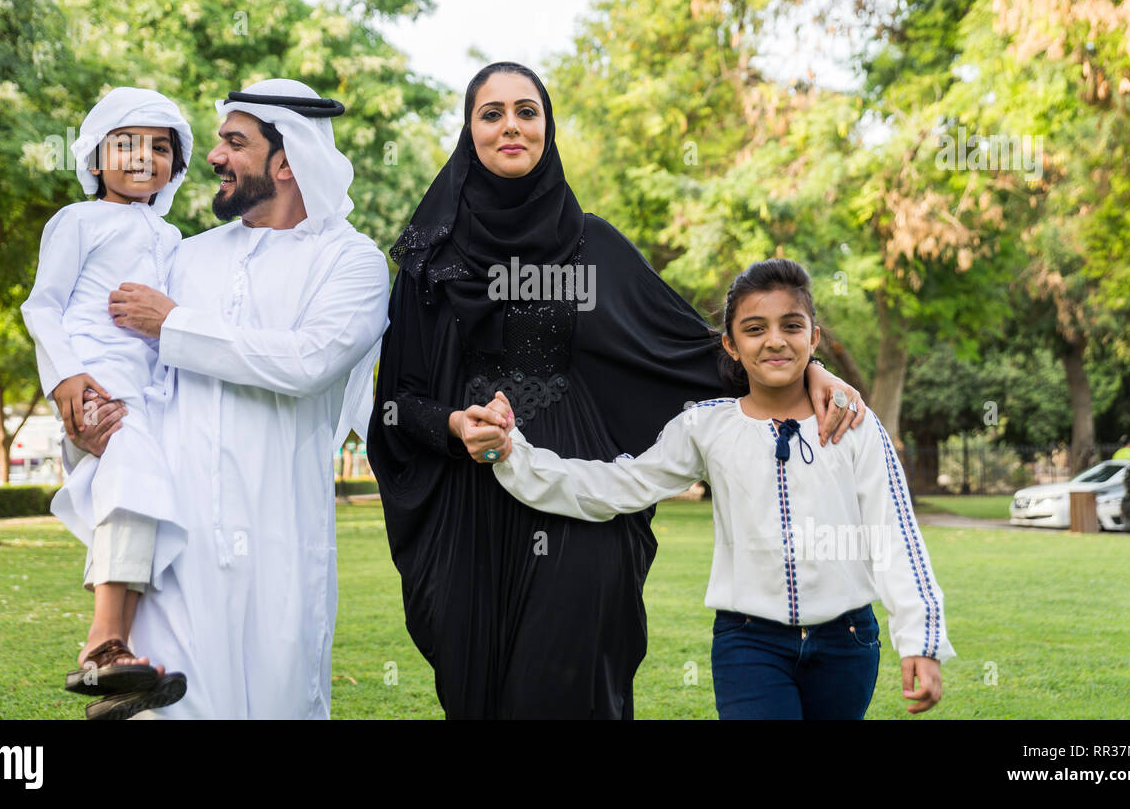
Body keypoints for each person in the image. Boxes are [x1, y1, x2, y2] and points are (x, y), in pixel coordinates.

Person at [365, 62, 867, 719]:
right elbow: (397, 403)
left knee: (562, 689)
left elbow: (693, 348)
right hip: (471, 509)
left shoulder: (590, 246)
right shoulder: (431, 257)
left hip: (580, 504)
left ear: (547, 127)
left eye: (527, 110)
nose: (510, 124)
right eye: (491, 113)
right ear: (469, 131)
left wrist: (806, 370)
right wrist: (457, 426)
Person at [489, 259, 955, 719]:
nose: (774, 340)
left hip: (848, 641)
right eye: (755, 329)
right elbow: (619, 484)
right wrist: (516, 455)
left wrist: (919, 639)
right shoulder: (705, 426)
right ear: (731, 345)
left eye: (791, 326)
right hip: (749, 643)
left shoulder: (852, 424)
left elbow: (894, 533)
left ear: (813, 338)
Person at [65, 78, 390, 718]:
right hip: (178, 536)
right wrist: (88, 412)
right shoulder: (185, 256)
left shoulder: (351, 262)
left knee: (278, 703)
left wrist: (174, 324)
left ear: (289, 160)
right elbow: (119, 355)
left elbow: (309, 361)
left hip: (280, 535)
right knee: (174, 706)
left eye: (234, 143)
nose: (213, 157)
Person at [20, 87, 192, 719]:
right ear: (95, 157)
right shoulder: (77, 221)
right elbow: (42, 305)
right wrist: (66, 379)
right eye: (127, 142)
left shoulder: (175, 237)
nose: (144, 156)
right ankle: (102, 644)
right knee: (135, 483)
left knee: (146, 508)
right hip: (97, 394)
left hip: (150, 399)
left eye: (160, 146)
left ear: (177, 163)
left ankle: (118, 681)